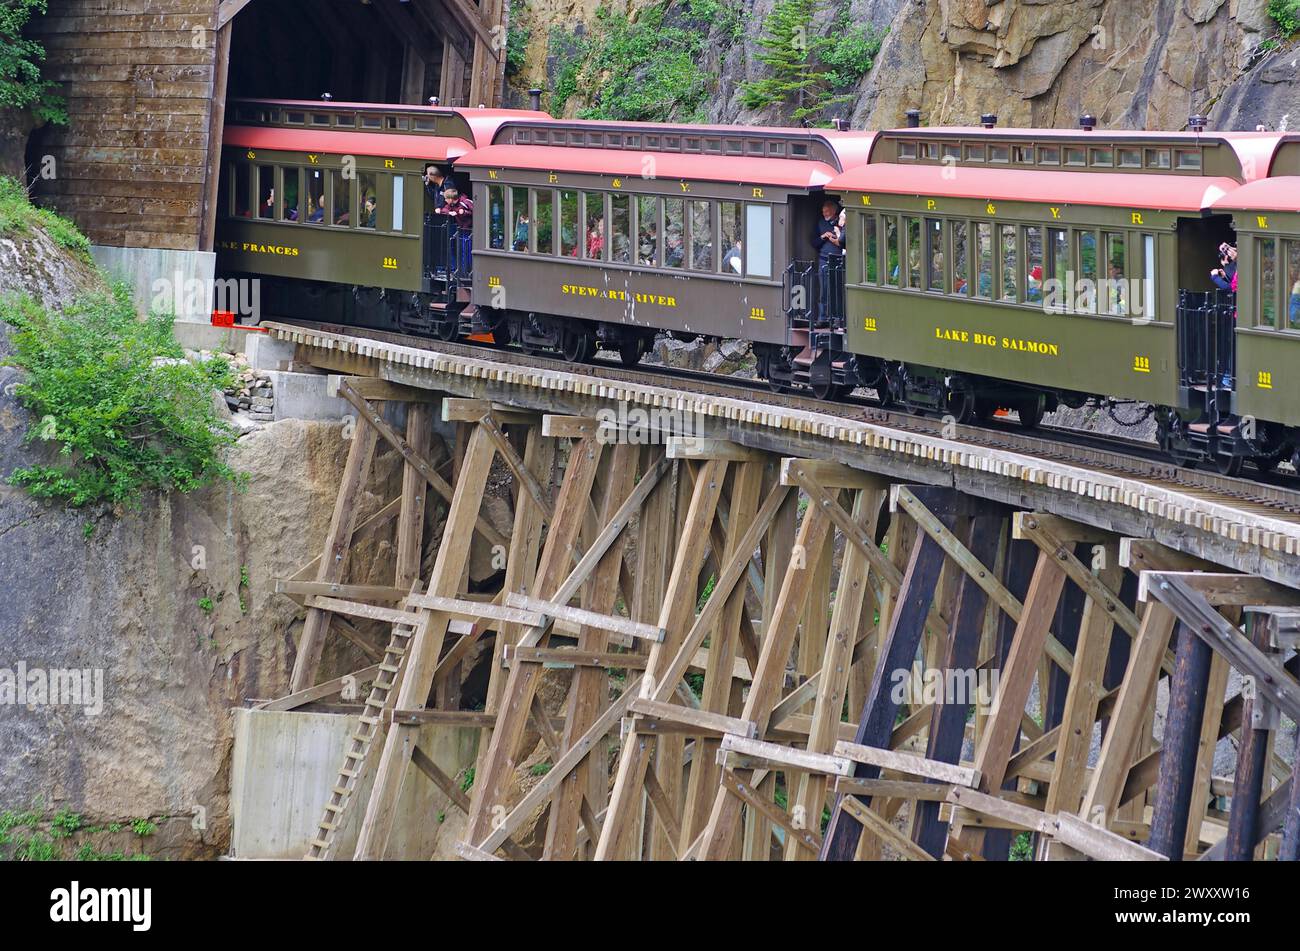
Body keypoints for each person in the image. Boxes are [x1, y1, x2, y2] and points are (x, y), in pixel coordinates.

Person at [813, 199, 842, 324]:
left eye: (827, 211)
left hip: (839, 260)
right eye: (823, 211)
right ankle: (822, 317)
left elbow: (845, 240)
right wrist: (823, 237)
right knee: (824, 290)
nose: (825, 214)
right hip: (824, 260)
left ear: (834, 211)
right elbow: (814, 243)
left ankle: (837, 318)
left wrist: (836, 237)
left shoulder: (841, 222)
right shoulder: (820, 223)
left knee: (837, 289)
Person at [437, 184, 474, 270]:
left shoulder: (464, 201)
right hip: (461, 229)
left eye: (446, 199)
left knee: (466, 249)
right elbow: (445, 209)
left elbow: (475, 210)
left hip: (468, 229)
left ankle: (467, 269)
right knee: (460, 249)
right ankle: (460, 269)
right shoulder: (451, 205)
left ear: (450, 199)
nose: (445, 201)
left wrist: (464, 212)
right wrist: (448, 212)